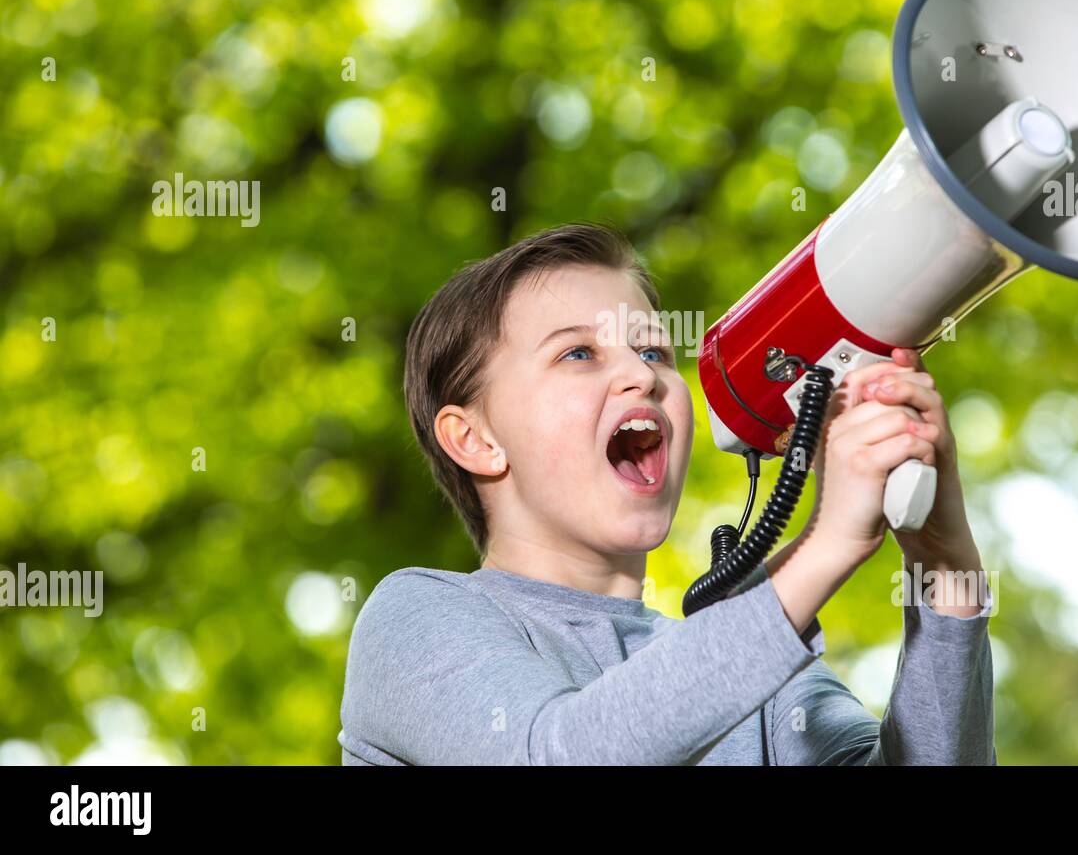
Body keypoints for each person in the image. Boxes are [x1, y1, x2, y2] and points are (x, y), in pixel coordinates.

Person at [338, 222, 995, 765]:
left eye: (653, 352)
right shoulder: (414, 618)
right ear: (475, 439)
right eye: (577, 354)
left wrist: (945, 565)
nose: (640, 375)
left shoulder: (761, 670)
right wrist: (825, 545)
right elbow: (560, 753)